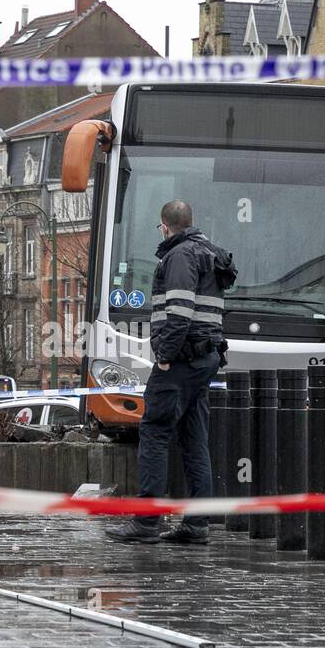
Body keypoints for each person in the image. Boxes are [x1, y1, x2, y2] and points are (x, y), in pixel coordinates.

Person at [105, 200, 229, 545]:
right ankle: (196, 523)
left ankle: (146, 523)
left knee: (155, 432)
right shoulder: (210, 253)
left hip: (181, 361)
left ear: (165, 226)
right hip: (205, 358)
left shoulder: (179, 256)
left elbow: (179, 312)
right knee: (193, 439)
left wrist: (164, 355)